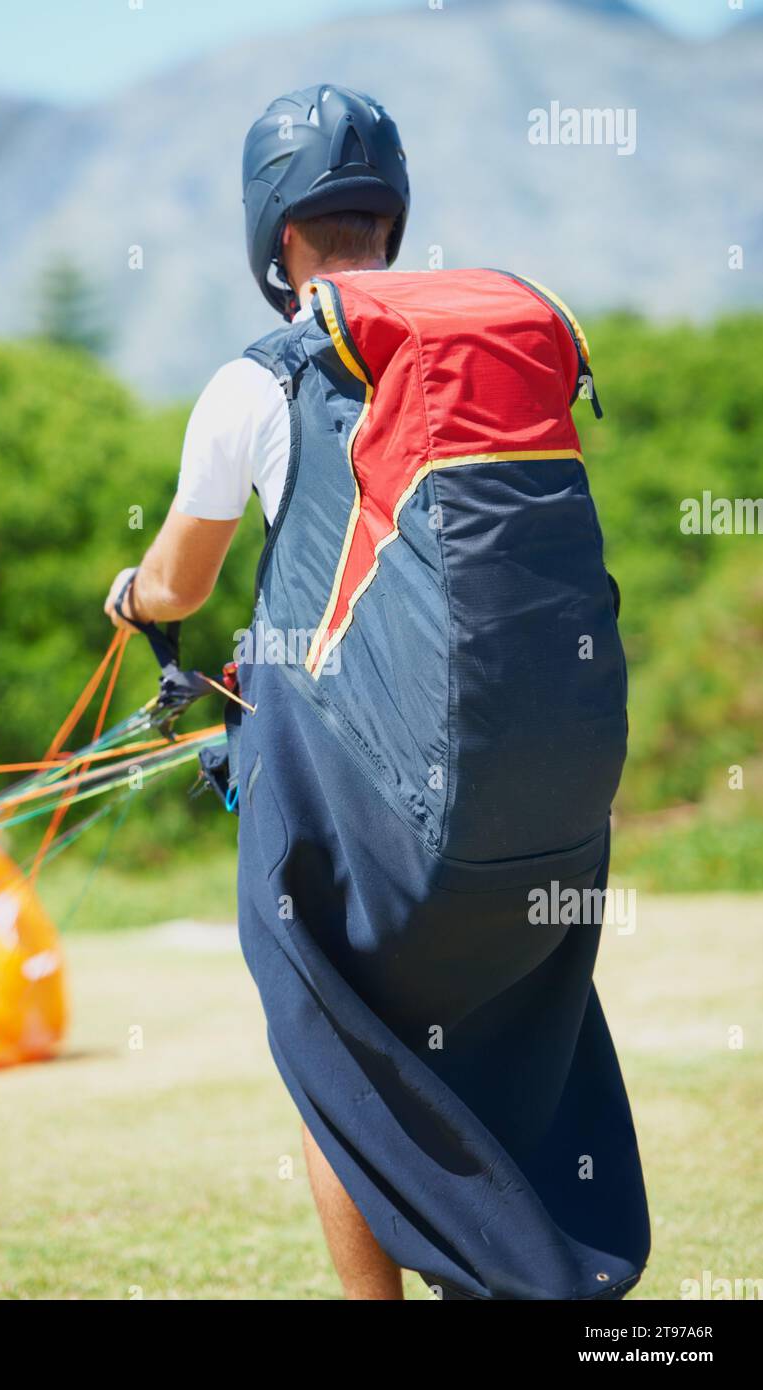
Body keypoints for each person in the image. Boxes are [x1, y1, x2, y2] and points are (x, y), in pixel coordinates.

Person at [105, 84, 650, 1302]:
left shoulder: (252, 384)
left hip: (374, 819)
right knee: (486, 1053)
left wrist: (132, 600)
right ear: (386, 224)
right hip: (545, 815)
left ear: (273, 234)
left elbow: (176, 580)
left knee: (331, 1059)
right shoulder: (490, 367)